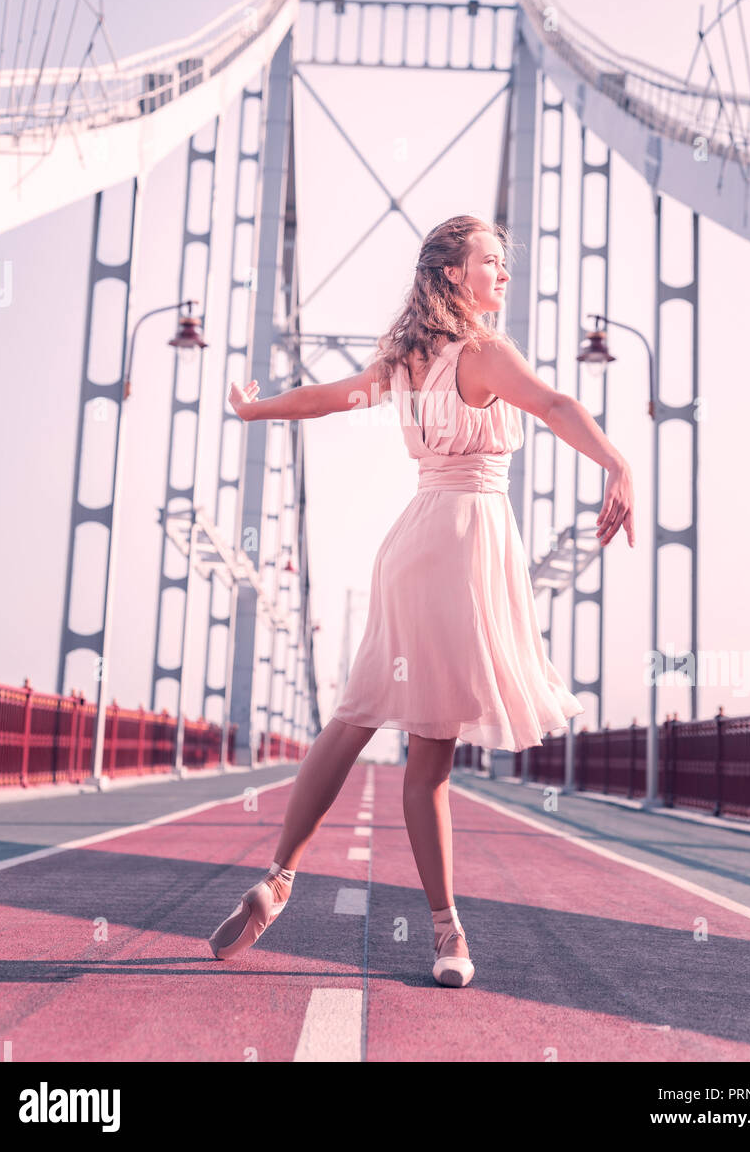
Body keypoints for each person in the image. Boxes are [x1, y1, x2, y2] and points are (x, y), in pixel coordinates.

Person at [208, 214, 635, 987]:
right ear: (453, 276)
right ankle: (446, 936)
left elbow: (330, 399)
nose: (503, 276)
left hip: (411, 543)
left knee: (355, 715)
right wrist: (618, 463)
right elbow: (557, 405)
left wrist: (255, 408)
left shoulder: (408, 360)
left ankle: (278, 877)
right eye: (491, 263)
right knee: (429, 758)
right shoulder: (483, 352)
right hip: (465, 545)